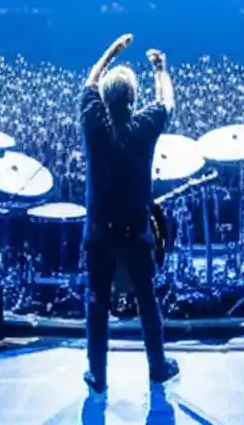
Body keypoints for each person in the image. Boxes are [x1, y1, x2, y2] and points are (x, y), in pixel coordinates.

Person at [79, 33, 180, 395]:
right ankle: (157, 367)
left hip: (99, 232)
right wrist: (160, 68)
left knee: (97, 299)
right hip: (136, 231)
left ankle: (98, 374)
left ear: (105, 99)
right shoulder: (144, 126)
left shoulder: (93, 123)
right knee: (147, 297)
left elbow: (91, 79)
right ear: (133, 100)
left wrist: (111, 52)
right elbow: (166, 100)